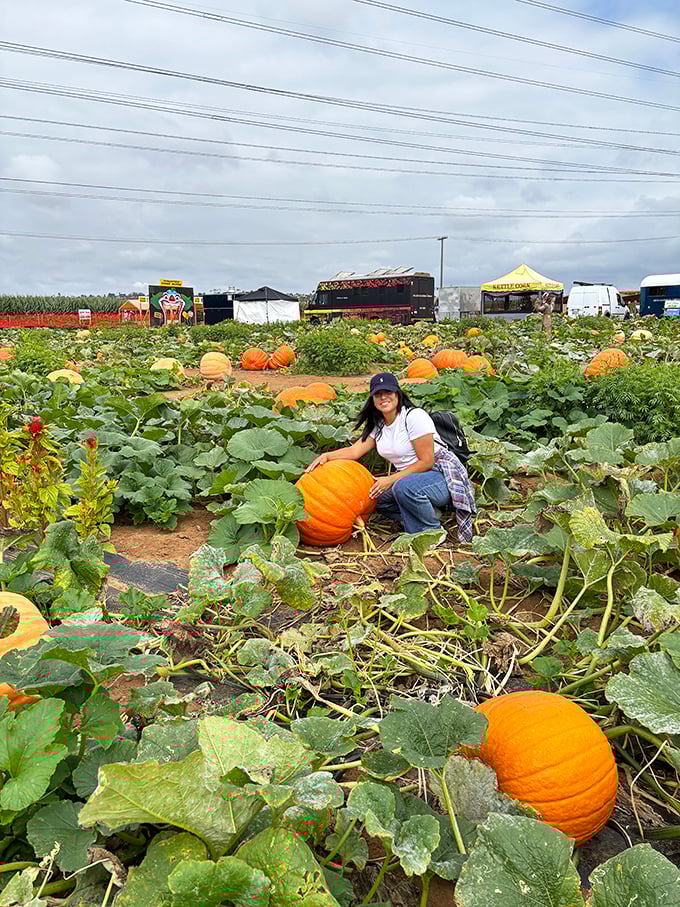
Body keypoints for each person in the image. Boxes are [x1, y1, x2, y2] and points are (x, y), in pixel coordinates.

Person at [305, 372, 476, 543]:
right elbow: (354, 452)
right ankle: (424, 514)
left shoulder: (414, 417)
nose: (383, 397)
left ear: (397, 394)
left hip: (440, 477)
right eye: (378, 394)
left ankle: (431, 531)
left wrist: (391, 479)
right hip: (410, 479)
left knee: (403, 487)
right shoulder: (379, 425)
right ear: (372, 399)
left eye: (388, 392)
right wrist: (326, 456)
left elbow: (427, 462)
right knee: (373, 499)